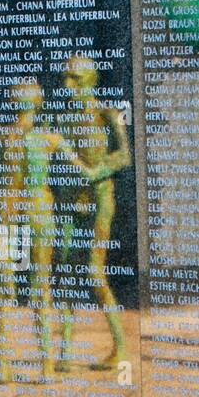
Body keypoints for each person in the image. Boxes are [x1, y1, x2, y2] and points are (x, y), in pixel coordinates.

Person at [0, 79, 98, 383]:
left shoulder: (3, 137)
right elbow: (85, 171)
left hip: (10, 206)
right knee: (41, 287)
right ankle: (48, 365)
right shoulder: (49, 138)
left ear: (14, 101)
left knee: (6, 286)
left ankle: (3, 364)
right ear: (38, 102)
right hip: (39, 206)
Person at [55, 55, 130, 371]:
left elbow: (124, 156)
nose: (67, 84)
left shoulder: (107, 115)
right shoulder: (62, 119)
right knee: (68, 274)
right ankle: (64, 352)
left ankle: (120, 347)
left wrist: (95, 172)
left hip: (100, 201)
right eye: (66, 78)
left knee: (94, 274)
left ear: (88, 80)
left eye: (73, 78)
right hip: (74, 201)